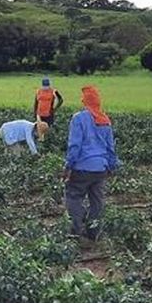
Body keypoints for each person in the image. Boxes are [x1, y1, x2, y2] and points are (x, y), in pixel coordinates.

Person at [64, 85, 120, 240]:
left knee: (73, 196)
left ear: (85, 102)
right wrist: (111, 166)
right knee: (97, 202)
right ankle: (93, 233)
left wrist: (68, 166)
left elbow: (75, 145)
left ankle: (75, 231)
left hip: (82, 167)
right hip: (100, 168)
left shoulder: (79, 118)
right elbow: (110, 147)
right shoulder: (105, 120)